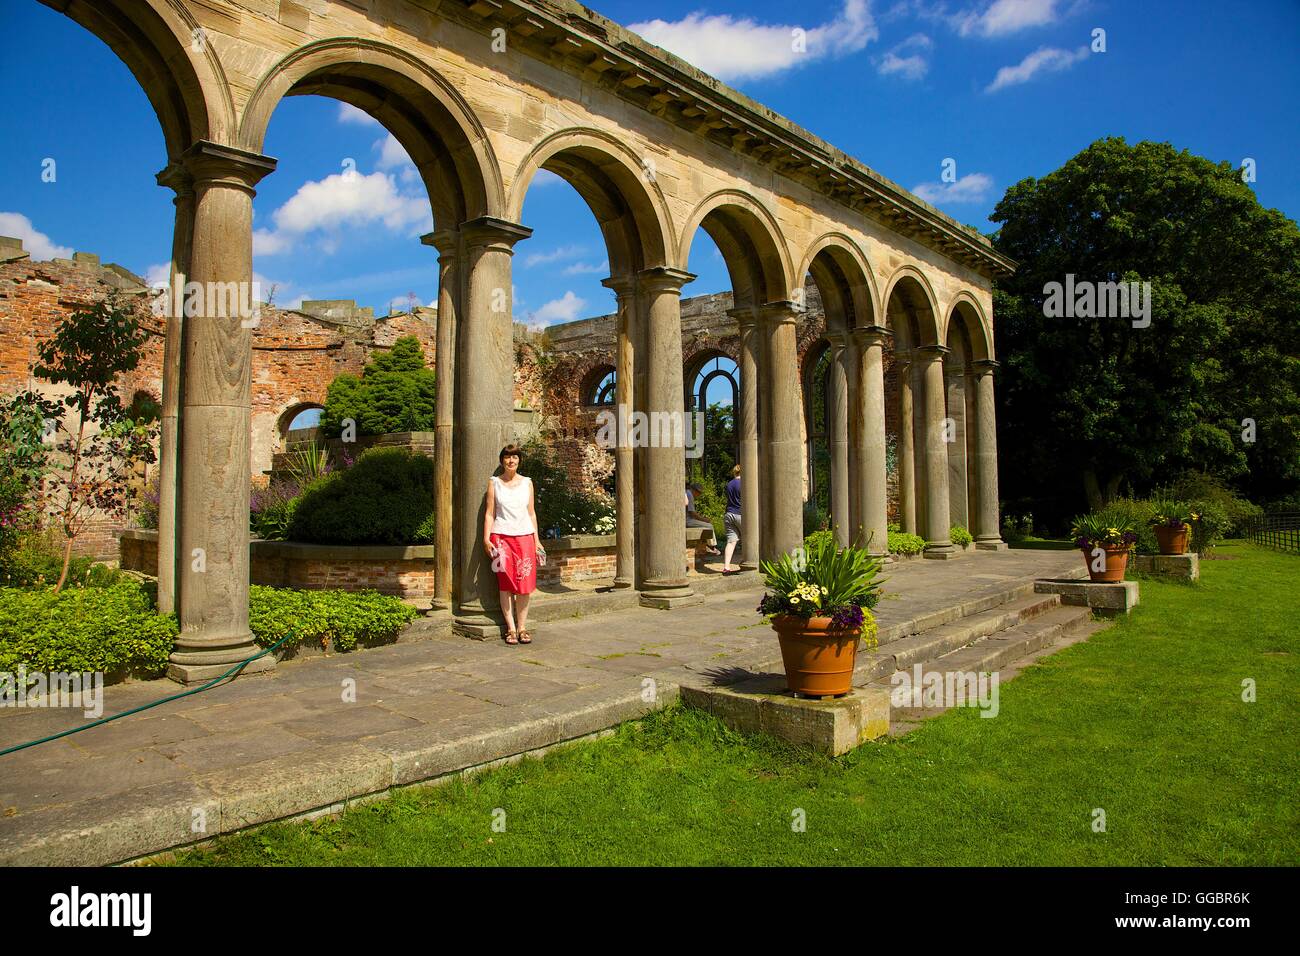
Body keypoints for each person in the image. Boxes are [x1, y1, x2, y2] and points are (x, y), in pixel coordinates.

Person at [484, 443, 545, 645]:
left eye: (515, 457)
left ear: (519, 460)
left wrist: (537, 540)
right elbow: (490, 513)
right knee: (506, 584)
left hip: (525, 537)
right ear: (502, 460)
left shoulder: (528, 482)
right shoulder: (494, 482)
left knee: (525, 585)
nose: (511, 461)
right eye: (508, 457)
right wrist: (486, 538)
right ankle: (510, 628)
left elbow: (532, 513)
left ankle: (522, 627)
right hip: (501, 538)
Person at [685, 481, 720, 555]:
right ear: (696, 491)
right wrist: (704, 520)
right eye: (699, 493)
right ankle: (712, 546)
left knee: (707, 524)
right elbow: (692, 513)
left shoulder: (687, 493)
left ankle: (709, 546)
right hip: (687, 521)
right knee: (709, 525)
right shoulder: (689, 495)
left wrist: (703, 519)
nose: (699, 495)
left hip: (687, 519)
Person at [722, 464, 742, 573]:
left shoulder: (729, 484)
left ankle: (726, 567)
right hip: (741, 514)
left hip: (729, 514)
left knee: (731, 542)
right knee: (751, 539)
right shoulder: (745, 483)